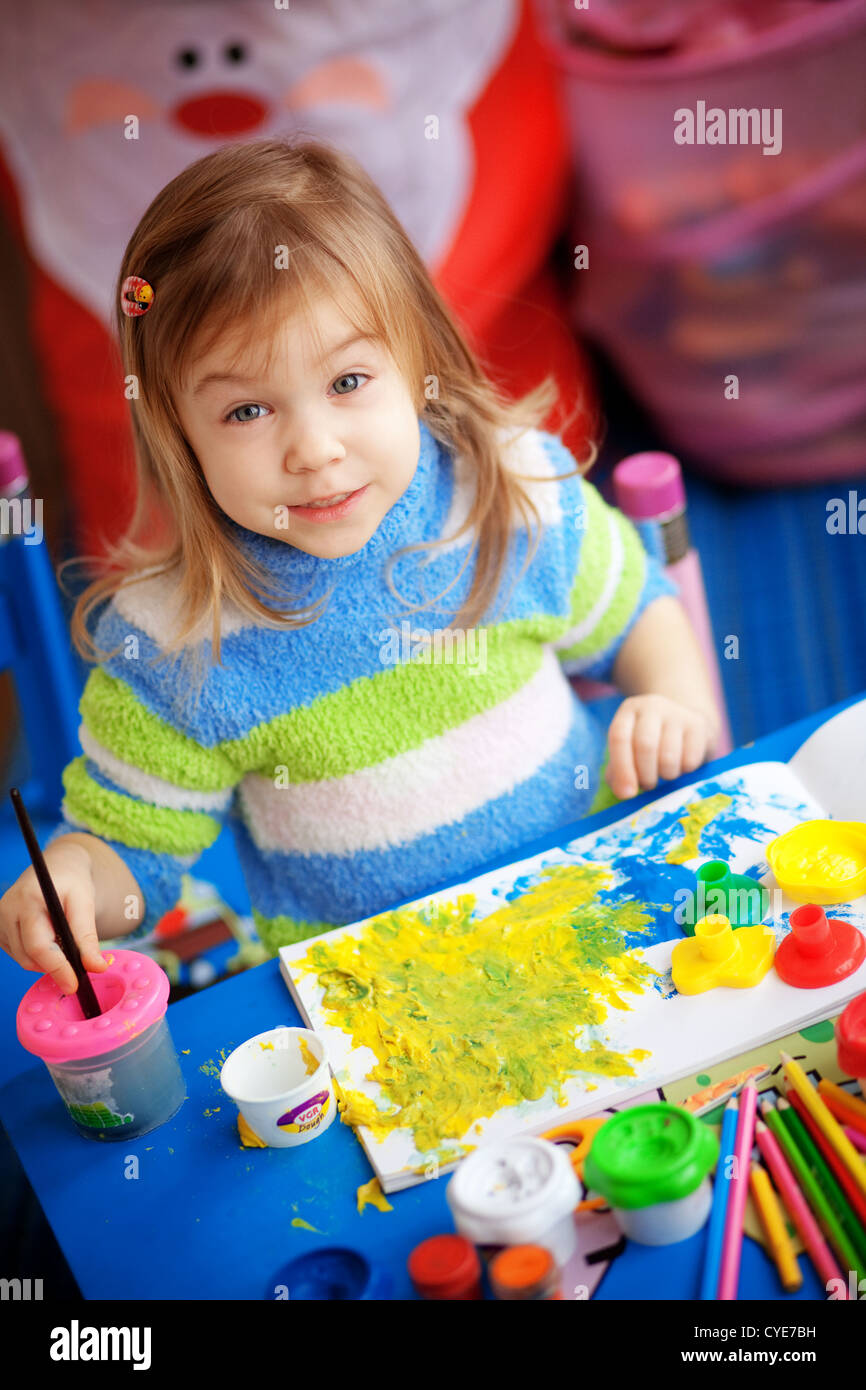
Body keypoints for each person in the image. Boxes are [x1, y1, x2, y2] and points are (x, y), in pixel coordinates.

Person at [0, 139, 720, 994]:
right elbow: (132, 860)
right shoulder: (177, 644)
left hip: (600, 916)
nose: (313, 449)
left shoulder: (509, 496)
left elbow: (643, 614)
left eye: (347, 382)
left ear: (416, 363)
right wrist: (78, 883)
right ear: (175, 431)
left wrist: (670, 701)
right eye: (247, 409)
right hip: (380, 1004)